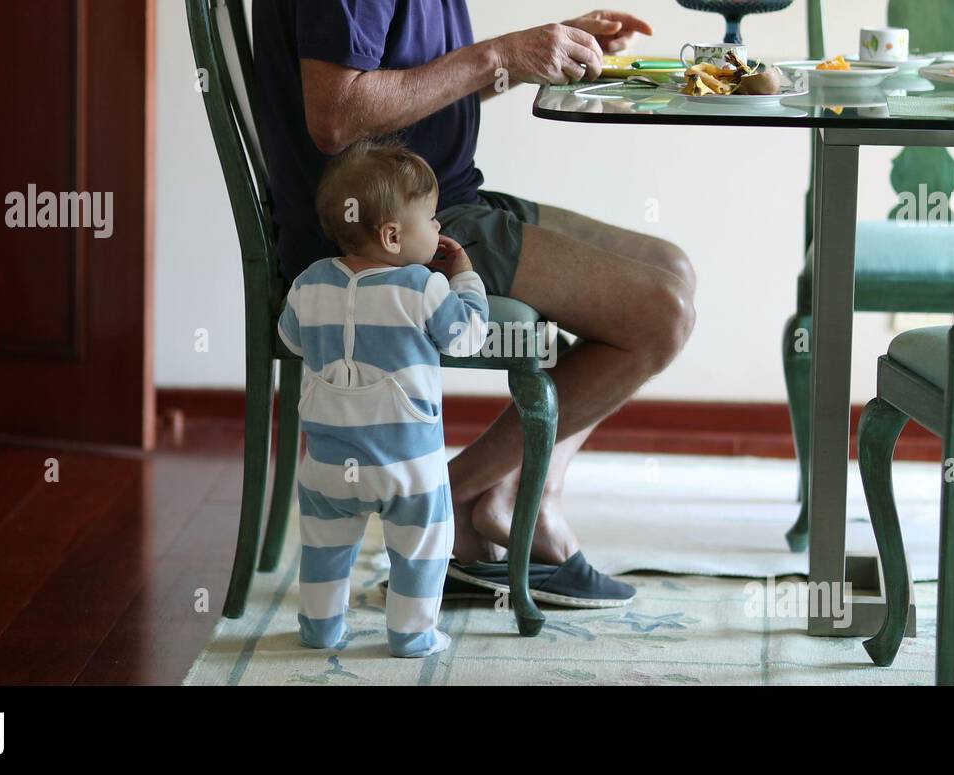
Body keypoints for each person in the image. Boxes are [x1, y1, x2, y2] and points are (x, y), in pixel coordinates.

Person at [256, 2, 697, 607]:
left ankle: (513, 497)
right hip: (386, 239)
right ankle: (463, 496)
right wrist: (501, 54)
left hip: (445, 200)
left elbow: (414, 87)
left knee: (672, 270)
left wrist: (541, 54)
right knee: (661, 313)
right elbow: (336, 116)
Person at [279, 141, 488, 657]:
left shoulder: (308, 283)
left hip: (328, 462)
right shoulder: (422, 287)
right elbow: (467, 336)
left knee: (325, 548)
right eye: (432, 221)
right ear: (393, 236)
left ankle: (320, 628)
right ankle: (411, 634)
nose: (438, 230)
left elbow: (289, 340)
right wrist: (464, 276)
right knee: (422, 549)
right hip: (406, 466)